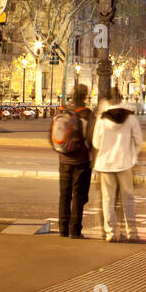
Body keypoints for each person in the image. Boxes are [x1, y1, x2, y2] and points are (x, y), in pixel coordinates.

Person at [92, 95, 143, 242]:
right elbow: (138, 140)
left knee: (108, 200)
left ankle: (111, 233)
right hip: (125, 163)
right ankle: (131, 233)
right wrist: (132, 153)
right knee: (128, 199)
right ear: (122, 101)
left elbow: (96, 143)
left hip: (105, 164)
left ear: (109, 103)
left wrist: (106, 148)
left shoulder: (102, 119)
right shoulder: (131, 118)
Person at [51, 84, 96, 238]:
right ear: (85, 96)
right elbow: (92, 138)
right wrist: (92, 157)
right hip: (81, 160)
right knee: (78, 195)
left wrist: (62, 150)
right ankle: (75, 230)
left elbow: (51, 136)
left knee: (64, 195)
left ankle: (63, 229)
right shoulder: (87, 114)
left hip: (63, 160)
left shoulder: (61, 110)